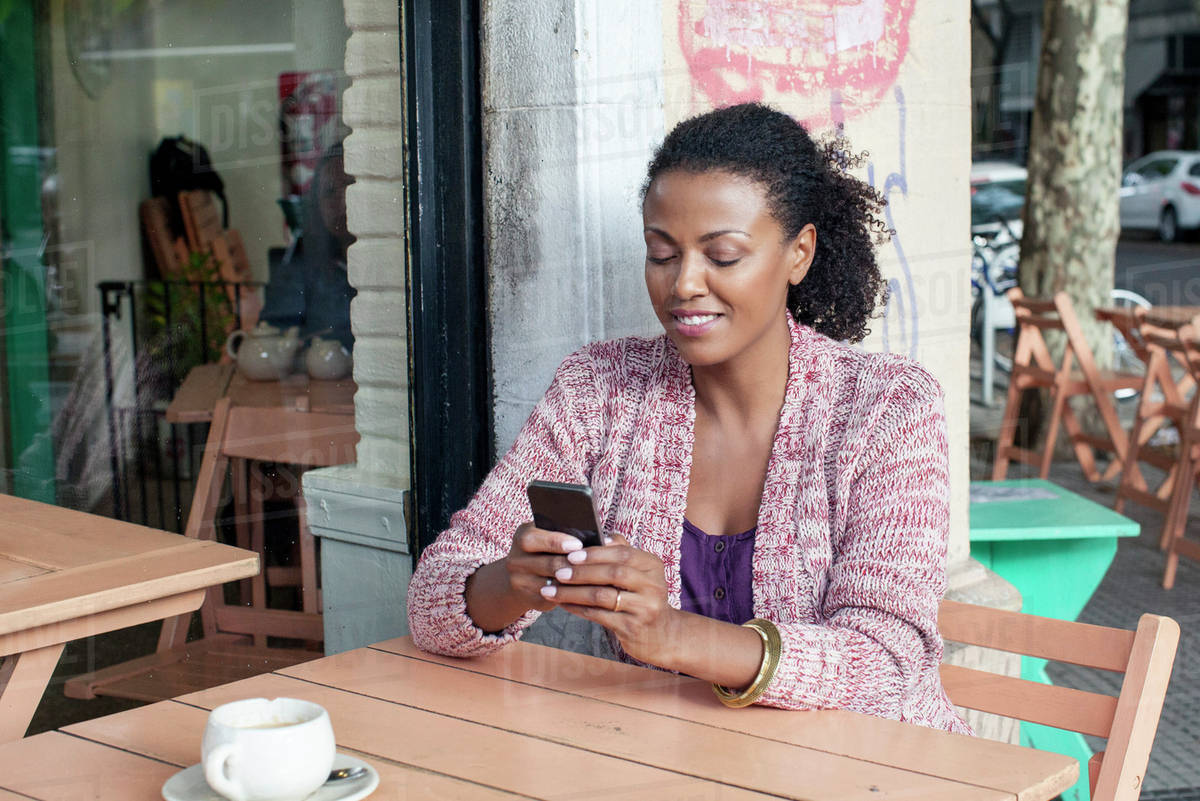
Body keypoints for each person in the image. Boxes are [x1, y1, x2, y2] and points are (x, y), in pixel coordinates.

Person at [407, 103, 970, 734]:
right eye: (661, 253)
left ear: (799, 254)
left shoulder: (886, 407)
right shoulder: (598, 388)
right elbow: (432, 601)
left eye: (723, 255)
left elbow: (885, 664)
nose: (683, 285)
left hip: (870, 770)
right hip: (672, 764)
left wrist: (672, 635)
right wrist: (514, 583)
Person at [259, 143, 356, 349]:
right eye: (329, 192)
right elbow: (273, 334)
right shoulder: (302, 258)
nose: (341, 202)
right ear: (316, 204)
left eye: (349, 186)